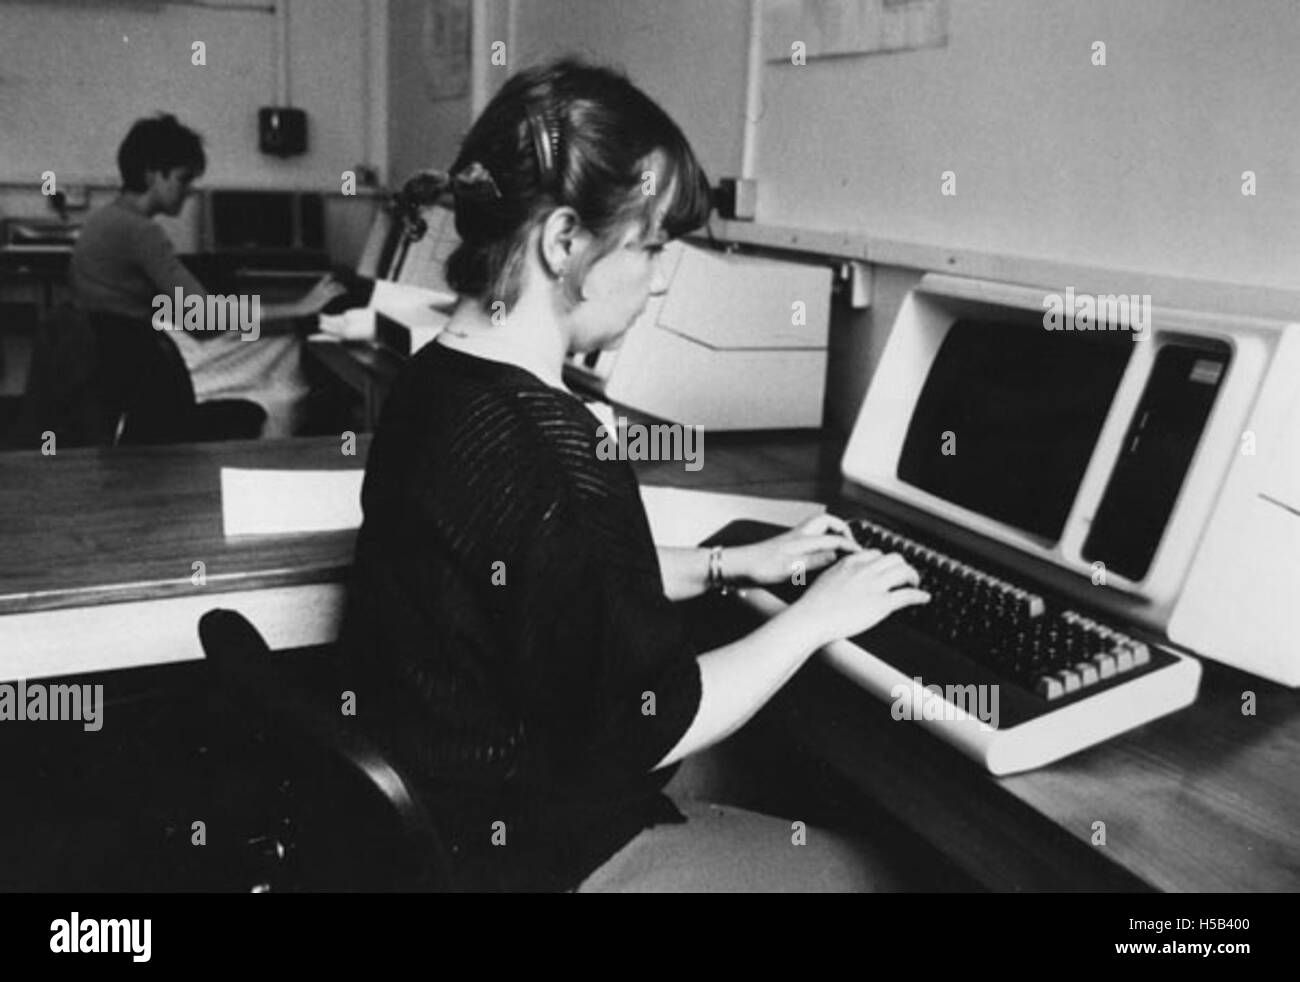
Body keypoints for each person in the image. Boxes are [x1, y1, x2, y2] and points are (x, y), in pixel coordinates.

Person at [341, 59, 931, 892]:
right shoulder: (556, 444)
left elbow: (546, 588)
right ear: (564, 241)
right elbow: (651, 724)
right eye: (652, 246)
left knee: (770, 774)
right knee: (882, 871)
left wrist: (728, 565)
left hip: (463, 818)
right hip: (541, 852)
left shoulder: (434, 381)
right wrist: (814, 620)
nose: (660, 279)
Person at [69, 113, 344, 441]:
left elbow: (190, 318)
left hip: (119, 386)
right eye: (183, 179)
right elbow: (205, 317)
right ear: (154, 174)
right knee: (275, 389)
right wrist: (298, 308)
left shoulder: (103, 221)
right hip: (146, 391)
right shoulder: (141, 232)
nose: (188, 192)